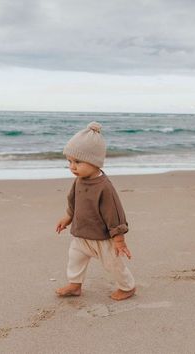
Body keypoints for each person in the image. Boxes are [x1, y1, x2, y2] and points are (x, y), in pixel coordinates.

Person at [56, 121, 135, 301]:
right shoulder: (79, 180)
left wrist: (119, 239)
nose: (72, 166)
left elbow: (114, 214)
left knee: (113, 264)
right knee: (75, 259)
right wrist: (67, 217)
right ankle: (75, 285)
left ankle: (127, 287)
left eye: (77, 161)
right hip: (81, 234)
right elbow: (73, 201)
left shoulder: (104, 187)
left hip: (101, 238)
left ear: (94, 162)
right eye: (69, 161)